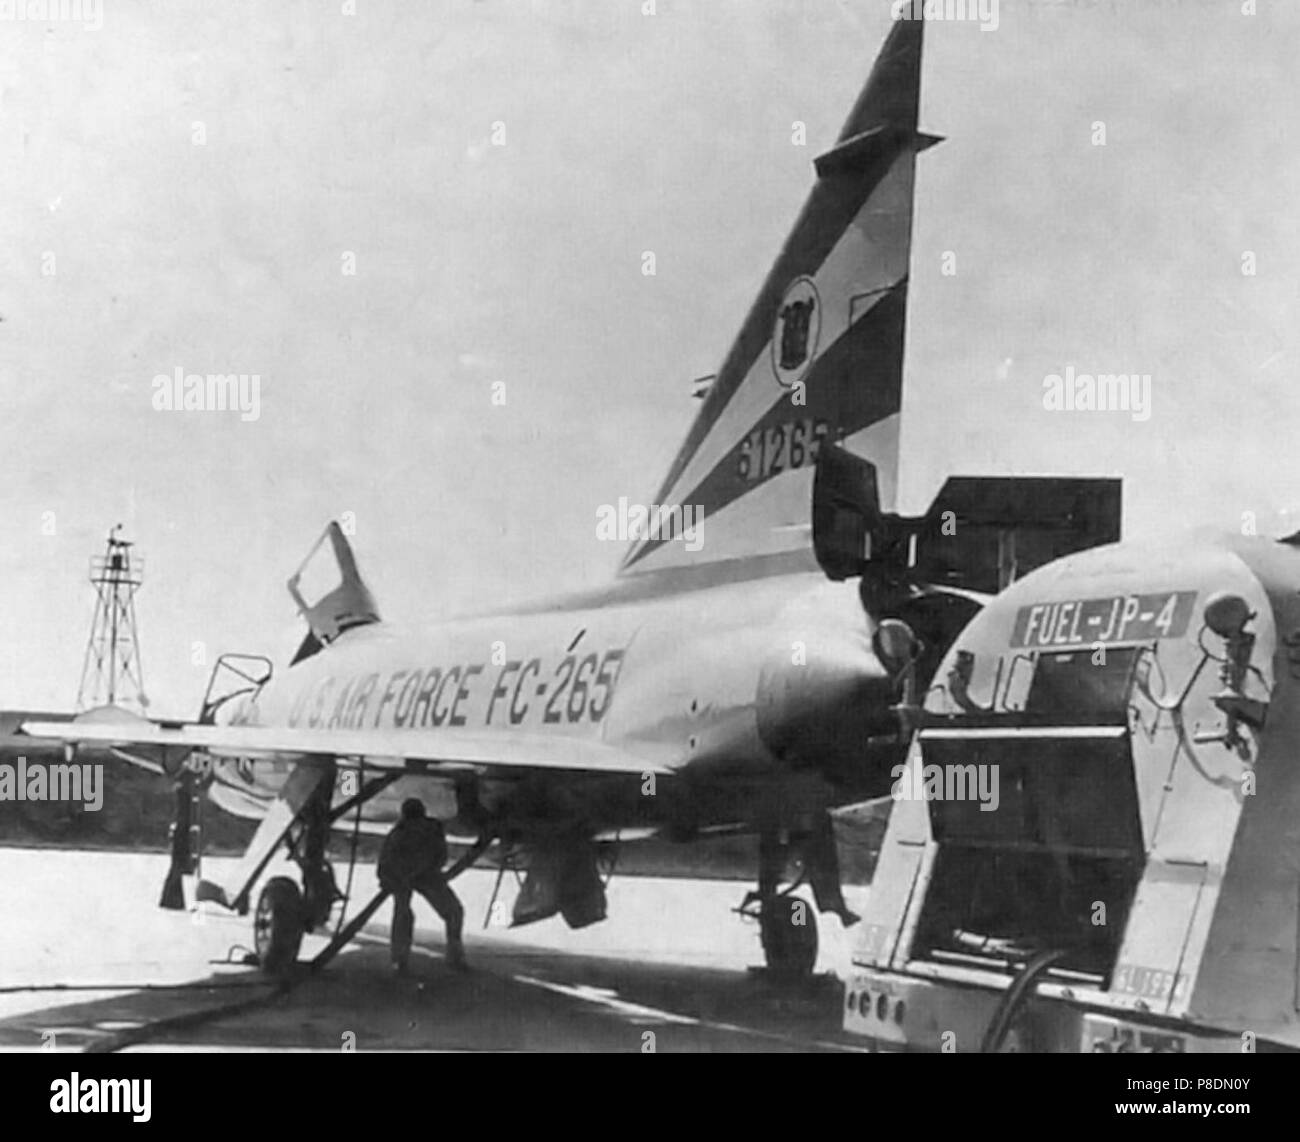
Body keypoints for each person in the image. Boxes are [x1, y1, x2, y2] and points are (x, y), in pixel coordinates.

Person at [378, 798, 466, 972]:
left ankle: (400, 959)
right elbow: (441, 855)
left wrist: (388, 878)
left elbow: (385, 859)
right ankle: (454, 956)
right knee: (454, 912)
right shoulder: (430, 828)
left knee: (403, 914)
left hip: (409, 876)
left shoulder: (399, 831)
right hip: (421, 876)